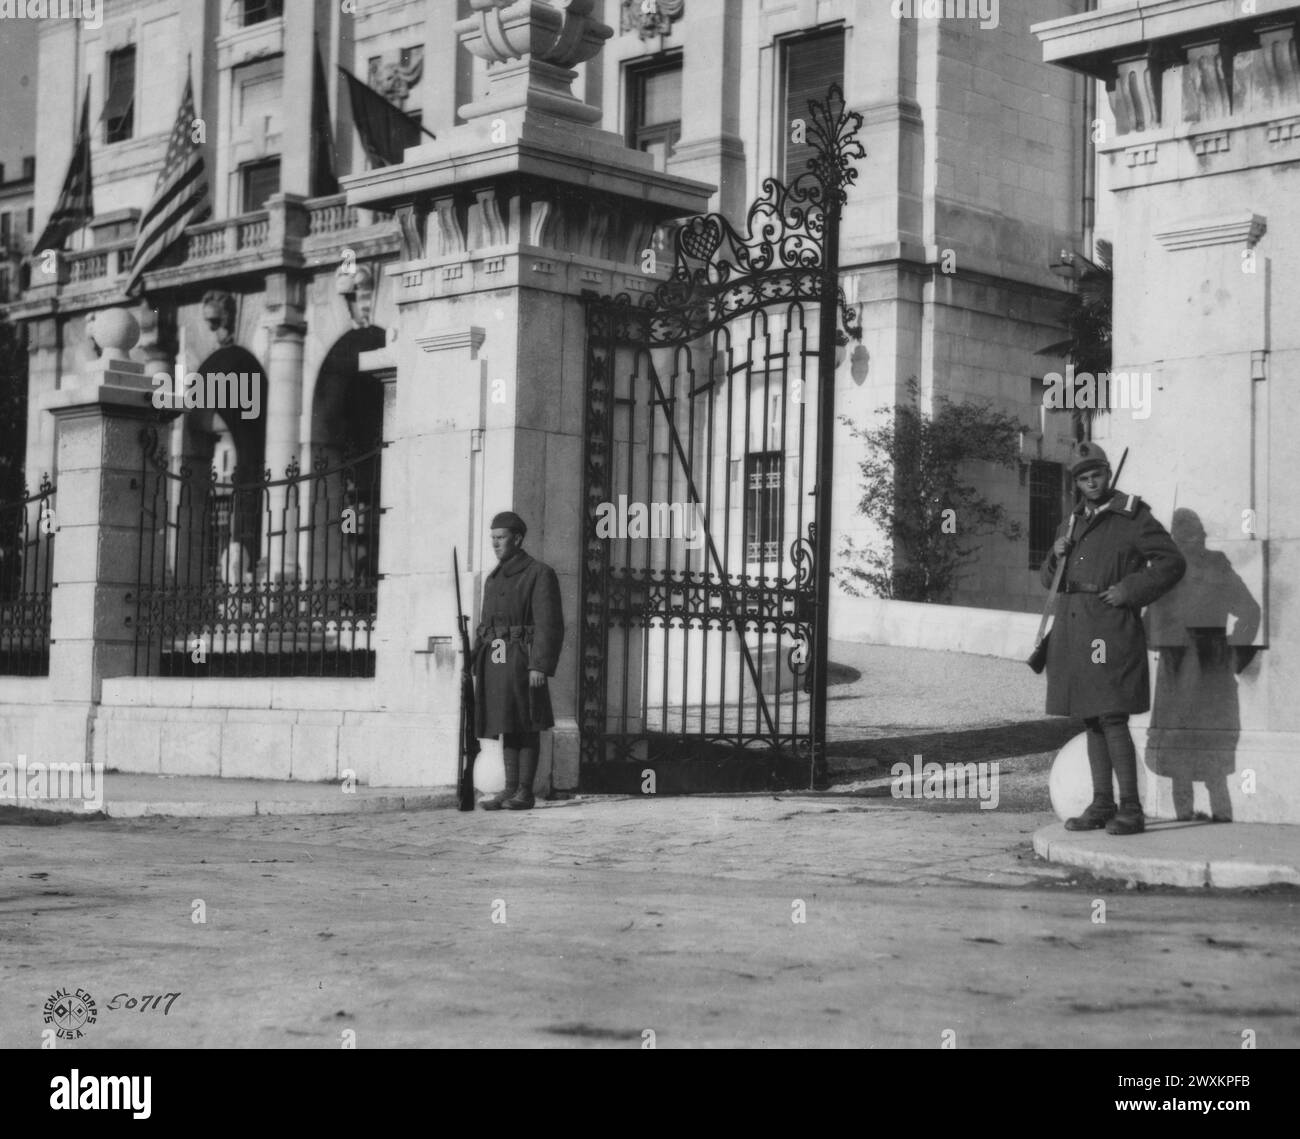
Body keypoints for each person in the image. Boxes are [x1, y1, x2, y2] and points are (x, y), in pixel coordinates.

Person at [1040, 442, 1186, 835]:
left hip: (1109, 628)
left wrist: (1130, 590)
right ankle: (1102, 803)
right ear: (1077, 483)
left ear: (1108, 472)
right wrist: (1055, 555)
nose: (1092, 483)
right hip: (1073, 628)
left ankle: (1131, 809)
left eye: (1097, 475)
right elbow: (1047, 580)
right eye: (1084, 478)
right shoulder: (1070, 522)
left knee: (1111, 715)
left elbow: (1172, 562)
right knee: (1091, 718)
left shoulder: (1132, 515)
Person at [473, 511, 564, 811]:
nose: (495, 544)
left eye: (500, 539)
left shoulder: (538, 573)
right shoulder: (493, 577)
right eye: (493, 539)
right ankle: (510, 788)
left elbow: (549, 624)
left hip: (524, 659)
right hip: (497, 660)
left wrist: (540, 664)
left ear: (517, 539)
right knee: (506, 722)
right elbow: (485, 624)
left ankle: (525, 791)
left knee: (527, 723)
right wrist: (474, 661)